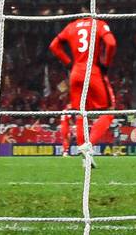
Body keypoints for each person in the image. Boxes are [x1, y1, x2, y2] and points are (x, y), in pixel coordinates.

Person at [49, 10, 117, 168]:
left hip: (76, 73)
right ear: (96, 11)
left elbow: (53, 46)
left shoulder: (71, 26)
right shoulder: (99, 24)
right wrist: (106, 63)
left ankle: (85, 159)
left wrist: (68, 63)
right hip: (93, 71)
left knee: (81, 113)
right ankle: (89, 143)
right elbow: (112, 43)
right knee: (110, 110)